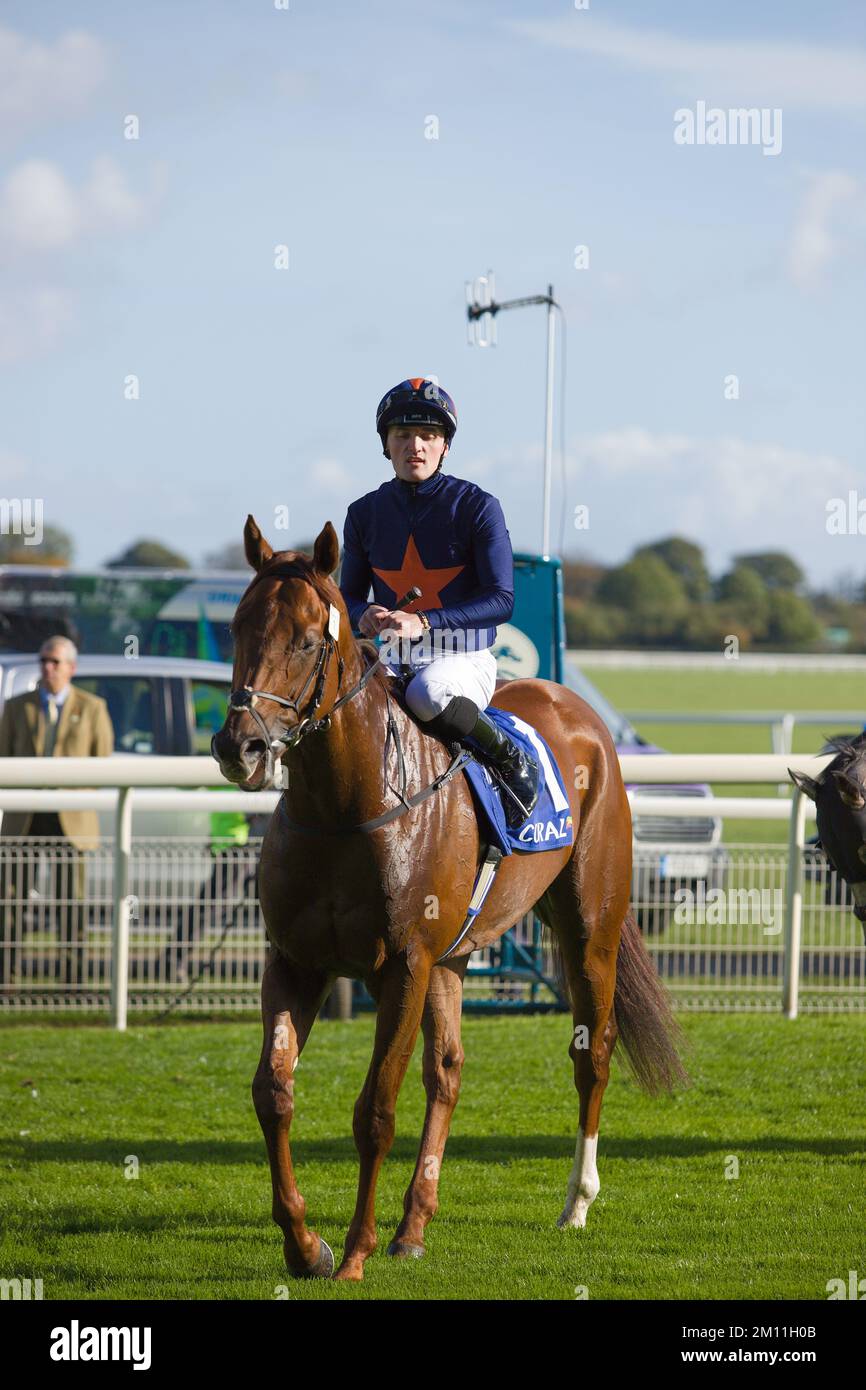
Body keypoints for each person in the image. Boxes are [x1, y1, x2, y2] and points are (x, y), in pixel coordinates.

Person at [338, 377, 538, 827]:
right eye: (403, 435)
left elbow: (502, 599)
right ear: (386, 445)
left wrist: (424, 623)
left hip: (460, 657)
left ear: (445, 445)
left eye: (428, 436)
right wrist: (362, 613)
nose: (416, 446)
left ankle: (511, 762)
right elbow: (346, 594)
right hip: (387, 655)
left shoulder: (478, 507)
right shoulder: (363, 513)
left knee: (427, 693)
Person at [0, 636, 114, 986]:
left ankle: (73, 979)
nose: (47, 668)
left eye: (54, 662)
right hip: (25, 817)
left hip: (71, 818)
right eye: (43, 660)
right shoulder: (19, 706)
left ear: (71, 668)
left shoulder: (91, 706)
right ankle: (7, 976)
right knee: (11, 901)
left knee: (71, 903)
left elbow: (102, 761)